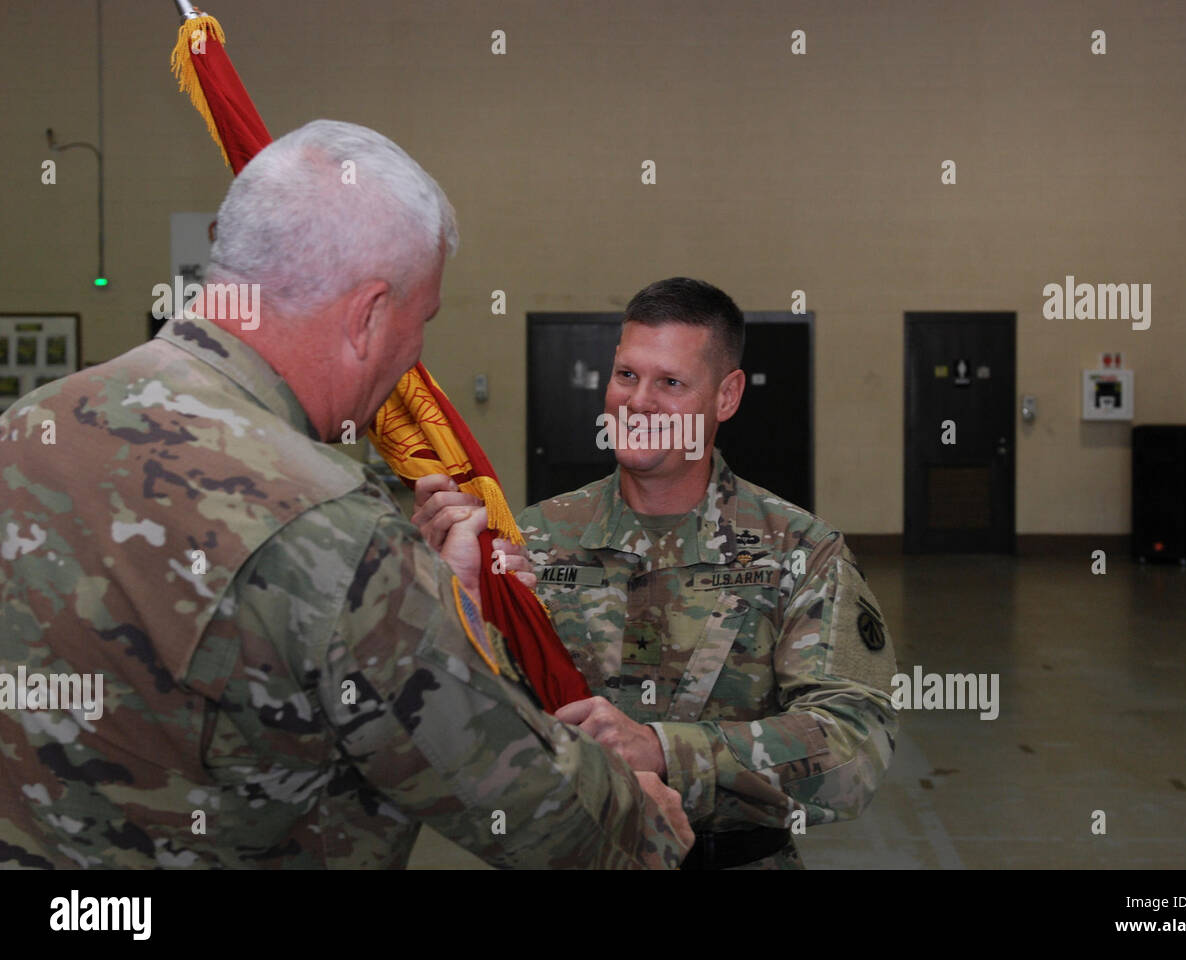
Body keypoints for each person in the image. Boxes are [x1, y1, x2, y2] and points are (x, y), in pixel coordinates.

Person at [0, 120, 691, 869]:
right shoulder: (327, 524)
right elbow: (523, 805)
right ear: (366, 317)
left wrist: (425, 597)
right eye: (420, 321)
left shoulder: (28, 425)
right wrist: (642, 819)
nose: (414, 356)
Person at [417, 277, 899, 869]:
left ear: (726, 397)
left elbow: (854, 747)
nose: (638, 401)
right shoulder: (534, 538)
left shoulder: (799, 550)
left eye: (670, 382)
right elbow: (465, 731)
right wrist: (458, 604)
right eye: (626, 375)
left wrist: (664, 751)